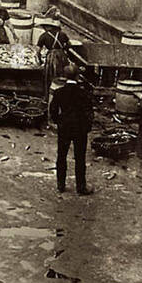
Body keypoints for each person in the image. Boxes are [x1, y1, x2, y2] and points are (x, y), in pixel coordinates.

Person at [48, 65, 94, 195]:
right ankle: (81, 187)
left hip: (65, 127)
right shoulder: (84, 93)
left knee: (61, 156)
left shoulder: (59, 92)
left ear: (65, 76)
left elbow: (53, 111)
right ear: (77, 76)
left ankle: (61, 185)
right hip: (80, 128)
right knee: (80, 158)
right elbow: (89, 112)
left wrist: (59, 121)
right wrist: (87, 127)